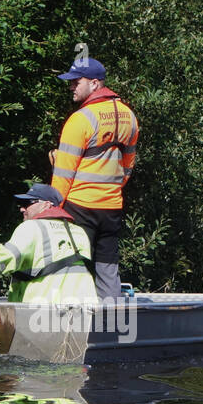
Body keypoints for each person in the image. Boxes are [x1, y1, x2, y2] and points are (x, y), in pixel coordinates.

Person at [49, 57, 138, 300]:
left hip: (80, 206)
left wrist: (55, 208)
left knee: (73, 268)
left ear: (95, 83)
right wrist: (111, 190)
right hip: (111, 207)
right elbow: (127, 166)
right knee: (107, 268)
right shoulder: (129, 117)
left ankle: (70, 328)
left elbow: (64, 173)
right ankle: (112, 325)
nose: (71, 86)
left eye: (77, 81)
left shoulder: (81, 119)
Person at [0, 184, 98, 304]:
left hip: (45, 310)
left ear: (47, 204)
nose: (22, 209)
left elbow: (5, 258)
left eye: (28, 203)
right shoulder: (79, 231)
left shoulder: (31, 227)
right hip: (84, 308)